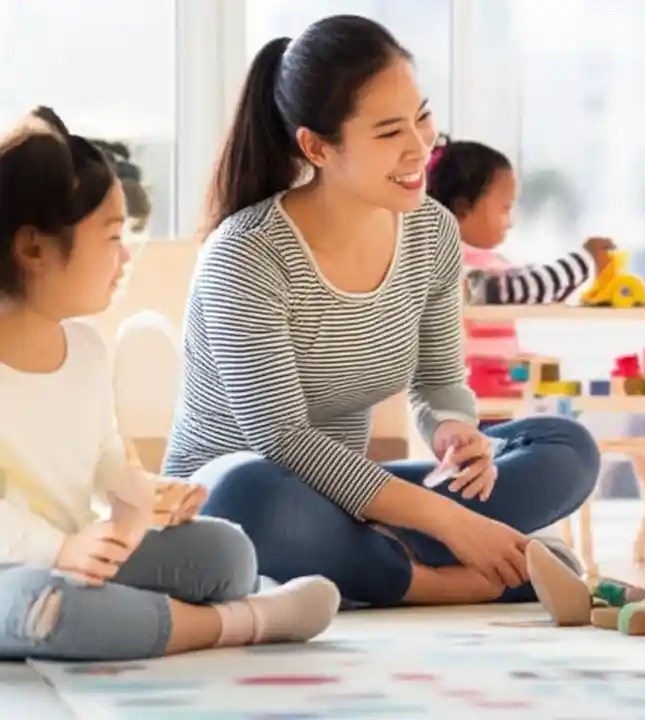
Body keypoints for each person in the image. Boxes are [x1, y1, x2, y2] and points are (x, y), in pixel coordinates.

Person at [163, 15, 600, 608]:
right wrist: (452, 524)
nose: (421, 148)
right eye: (390, 131)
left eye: (422, 117)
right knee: (248, 495)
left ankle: (369, 559)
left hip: (353, 501)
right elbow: (283, 440)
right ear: (316, 147)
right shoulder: (246, 255)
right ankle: (442, 581)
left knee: (566, 448)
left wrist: (455, 433)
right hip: (234, 501)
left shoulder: (432, 231)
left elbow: (440, 382)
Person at [0, 108, 338, 661]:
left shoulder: (85, 349)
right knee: (52, 610)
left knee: (225, 553)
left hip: (80, 554)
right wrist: (59, 549)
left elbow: (101, 455)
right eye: (112, 235)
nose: (125, 254)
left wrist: (141, 491)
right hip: (23, 572)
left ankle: (149, 618)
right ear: (34, 249)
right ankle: (244, 622)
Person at [425, 137, 613, 404]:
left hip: (494, 397)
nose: (510, 222)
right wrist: (584, 261)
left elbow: (534, 286)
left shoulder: (481, 263)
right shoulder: (456, 268)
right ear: (463, 208)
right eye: (505, 208)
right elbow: (526, 288)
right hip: (476, 407)